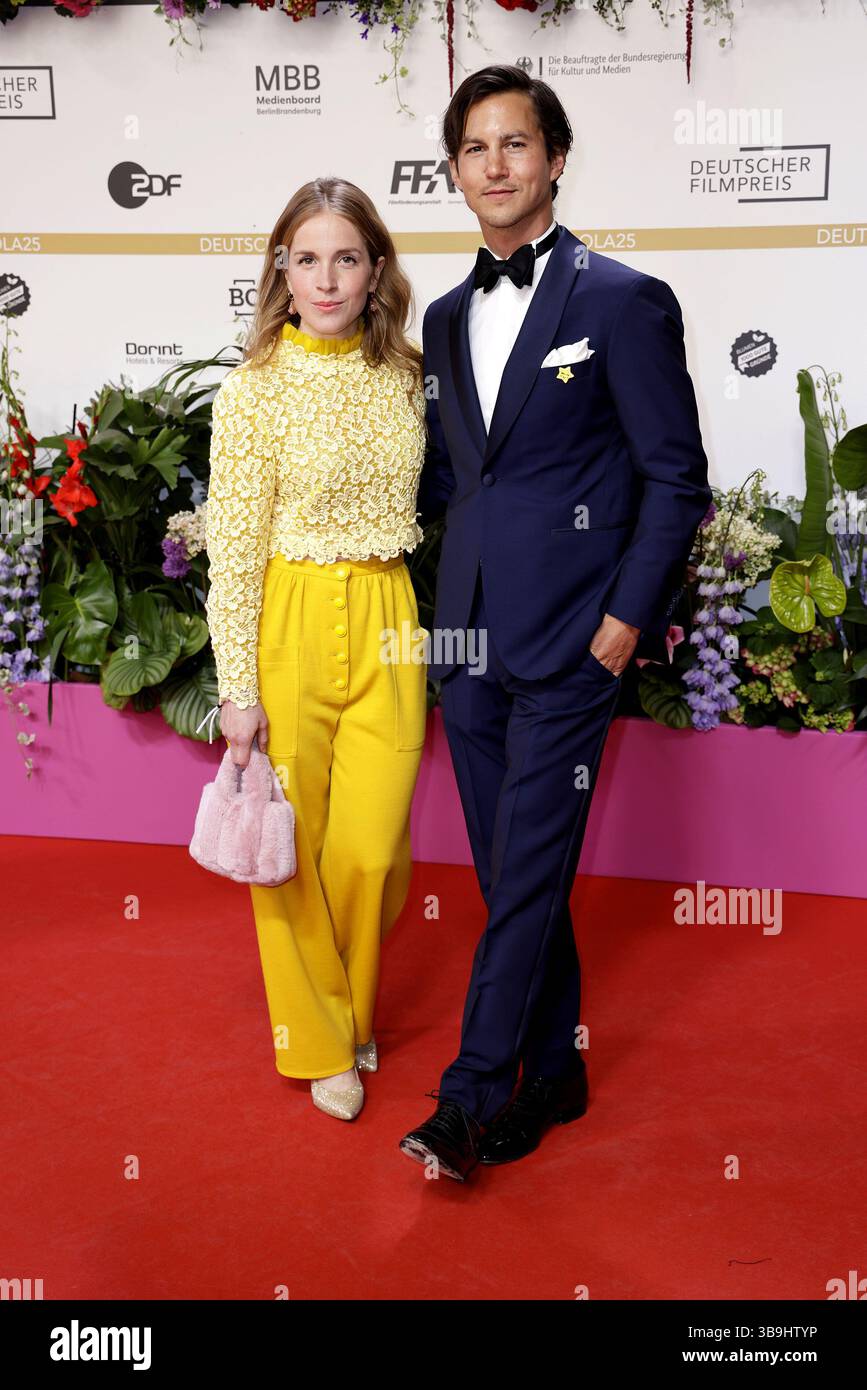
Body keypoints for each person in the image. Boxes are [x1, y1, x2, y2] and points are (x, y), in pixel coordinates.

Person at [399, 65, 713, 1180]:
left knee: (524, 872)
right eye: (475, 148)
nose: (495, 164)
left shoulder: (622, 301)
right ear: (455, 173)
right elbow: (451, 483)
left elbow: (676, 478)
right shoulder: (441, 320)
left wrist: (628, 619)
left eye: (516, 144)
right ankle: (559, 1069)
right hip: (468, 646)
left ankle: (470, 1099)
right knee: (513, 875)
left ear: (555, 158)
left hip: (577, 644)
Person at [204, 178, 429, 1122]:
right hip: (290, 614)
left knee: (373, 852)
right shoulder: (252, 391)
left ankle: (350, 1003)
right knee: (286, 853)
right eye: (306, 258)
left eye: (346, 257)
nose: (326, 278)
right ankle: (321, 1038)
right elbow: (234, 550)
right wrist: (237, 685)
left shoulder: (408, 374)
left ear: (375, 268)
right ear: (281, 271)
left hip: (390, 611)